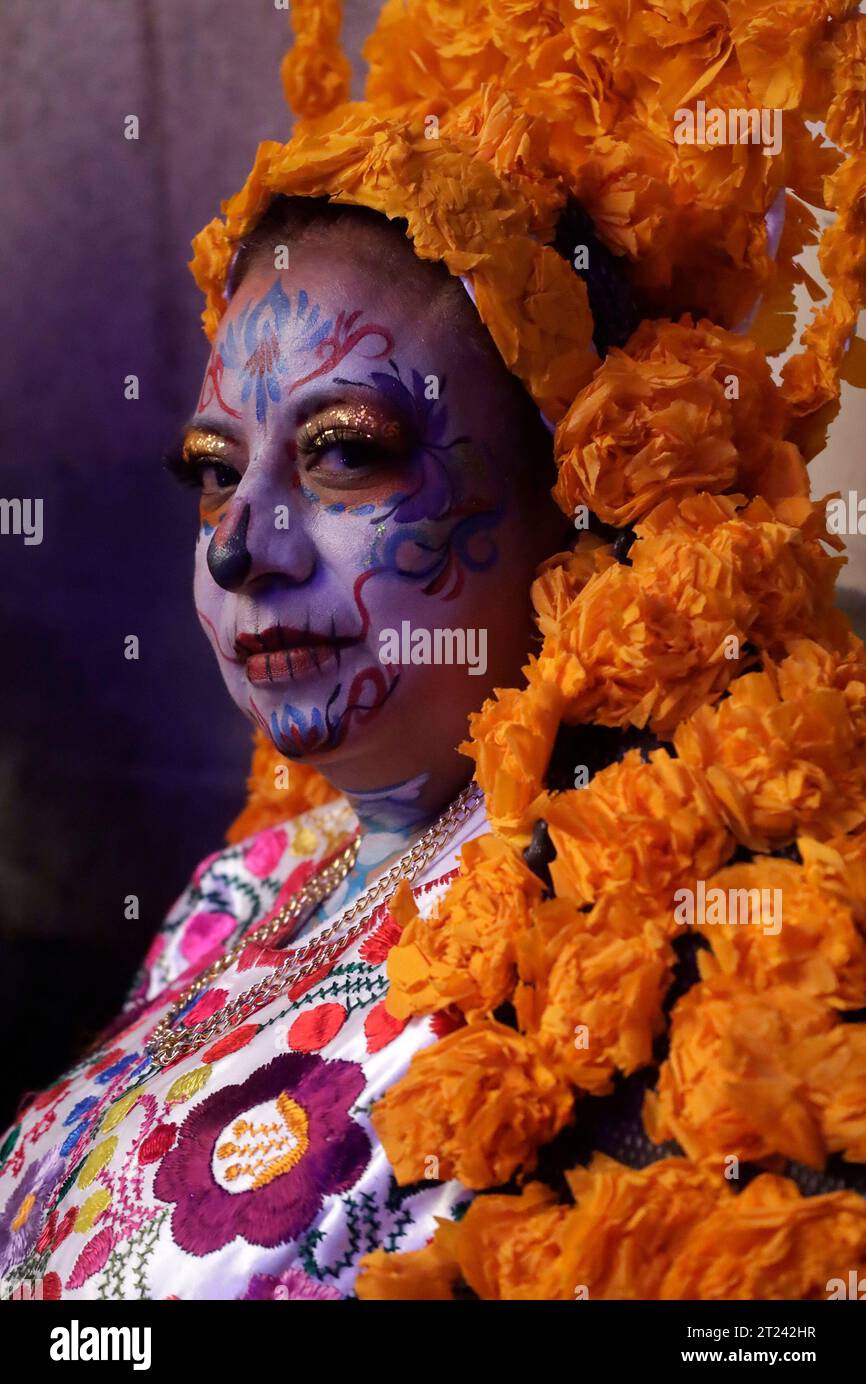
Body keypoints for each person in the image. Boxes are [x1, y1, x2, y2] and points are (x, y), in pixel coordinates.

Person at [2, 0, 866, 1301]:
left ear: (571, 493)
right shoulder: (248, 883)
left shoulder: (680, 948)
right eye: (212, 471)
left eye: (343, 449)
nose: (241, 546)